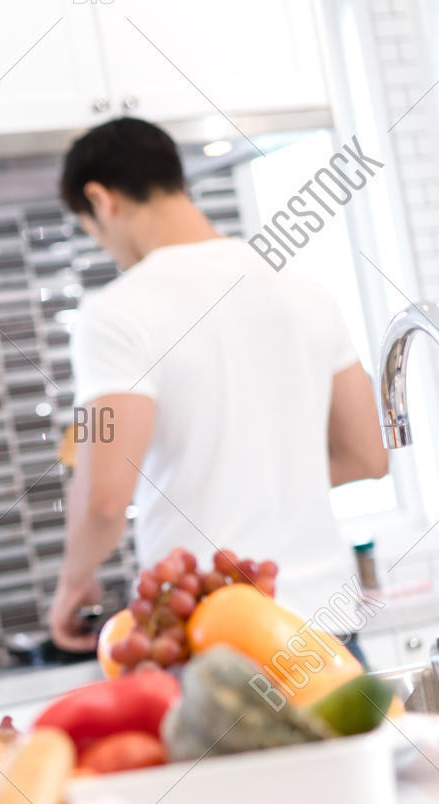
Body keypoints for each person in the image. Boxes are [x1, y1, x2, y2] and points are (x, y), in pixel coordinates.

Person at [47, 117, 389, 655]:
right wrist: (265, 484)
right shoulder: (306, 293)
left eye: (92, 229)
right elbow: (369, 456)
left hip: (218, 639)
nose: (106, 247)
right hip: (330, 631)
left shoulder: (114, 314)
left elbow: (105, 500)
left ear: (101, 200)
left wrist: (73, 582)